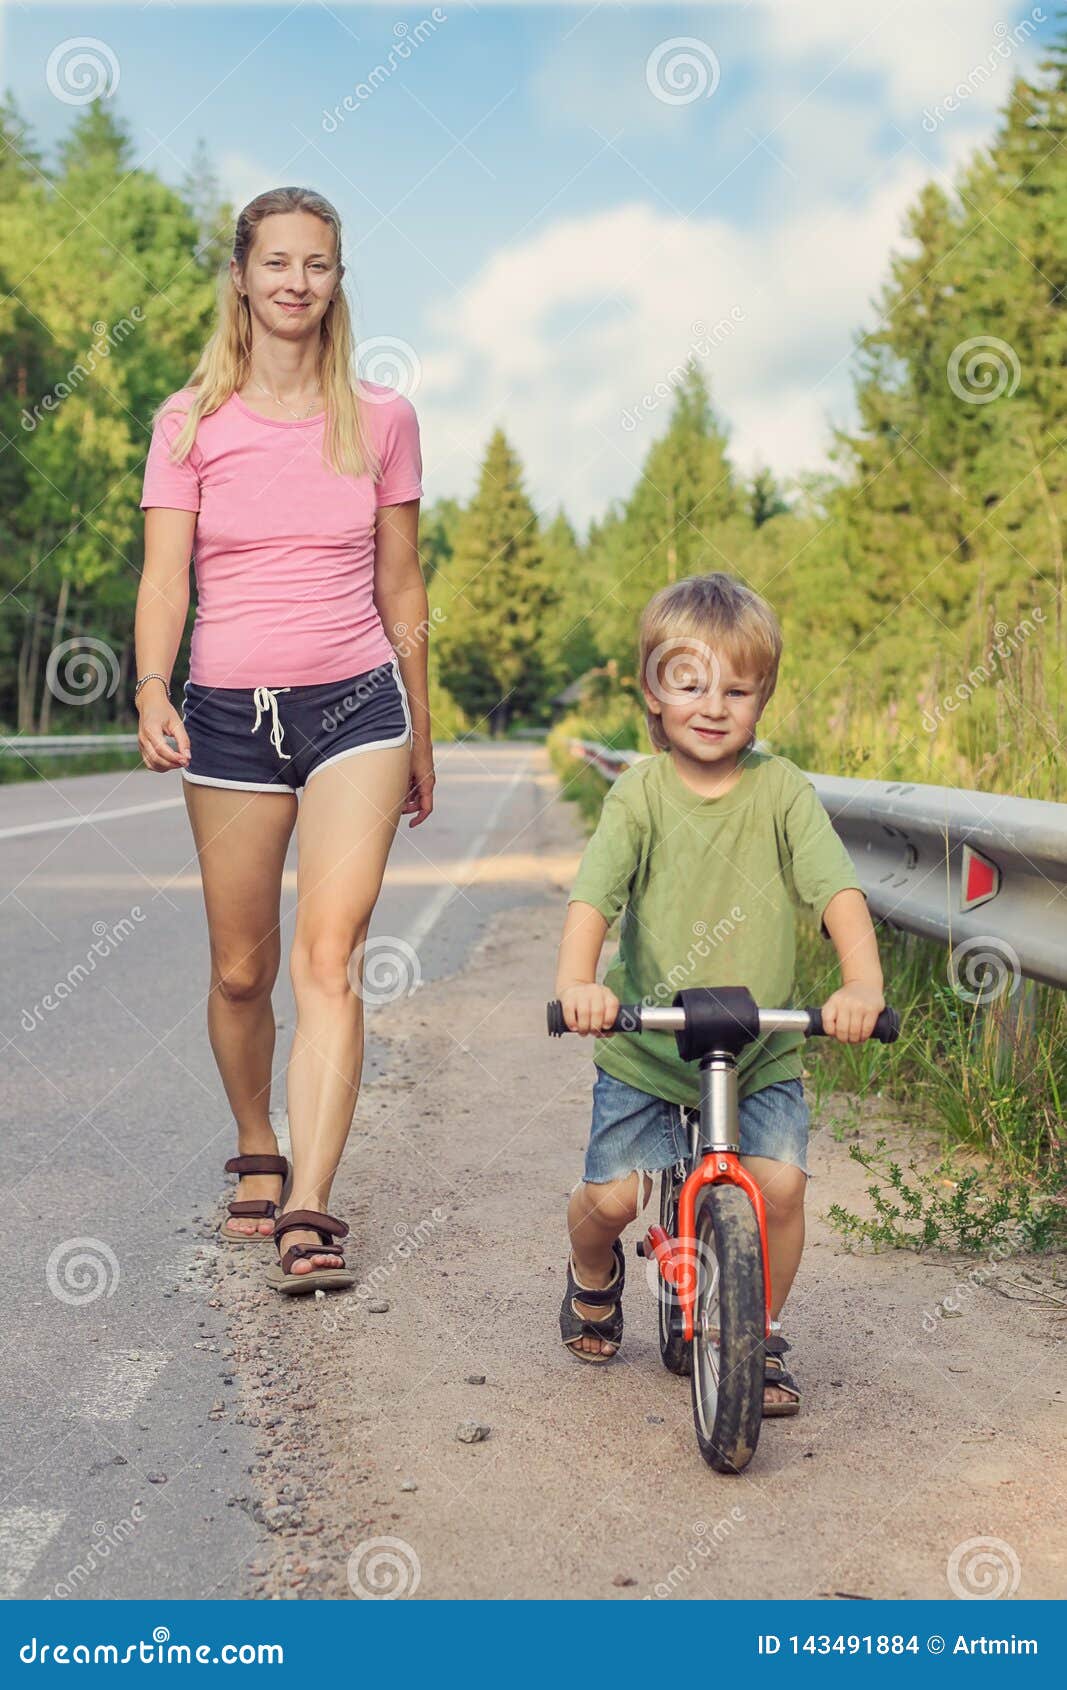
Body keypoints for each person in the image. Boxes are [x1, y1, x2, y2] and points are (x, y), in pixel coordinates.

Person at [134, 185, 434, 1296]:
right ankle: (256, 1140)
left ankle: (310, 1197)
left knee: (328, 960)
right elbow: (167, 575)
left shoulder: (383, 419)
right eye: (277, 262)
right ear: (244, 276)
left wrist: (422, 725)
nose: (296, 282)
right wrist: (151, 682)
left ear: (336, 279)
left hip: (357, 701)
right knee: (240, 965)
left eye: (316, 263)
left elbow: (400, 582)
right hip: (226, 709)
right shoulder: (188, 422)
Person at [554, 572, 885, 1412]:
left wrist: (860, 983)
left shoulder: (781, 793)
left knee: (778, 1187)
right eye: (689, 684)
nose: (712, 705)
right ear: (652, 694)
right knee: (610, 1198)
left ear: (762, 699)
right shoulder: (639, 792)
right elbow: (596, 896)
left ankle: (755, 1334)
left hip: (759, 1049)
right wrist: (578, 983)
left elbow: (835, 893)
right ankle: (592, 1273)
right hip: (647, 1050)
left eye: (737, 689)